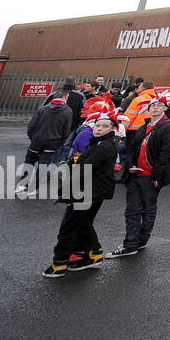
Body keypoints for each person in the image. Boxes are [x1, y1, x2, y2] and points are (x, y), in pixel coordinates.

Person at [42, 114, 119, 277]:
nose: (99, 128)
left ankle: (59, 264)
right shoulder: (98, 144)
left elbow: (84, 170)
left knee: (69, 226)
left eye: (104, 126)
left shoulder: (103, 147)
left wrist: (66, 189)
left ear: (113, 129)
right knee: (84, 223)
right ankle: (94, 254)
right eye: (97, 125)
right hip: (93, 191)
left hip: (87, 192)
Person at [111, 93, 170, 258]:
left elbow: (167, 153)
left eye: (159, 105)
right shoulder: (144, 126)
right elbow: (132, 148)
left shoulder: (169, 127)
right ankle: (132, 243)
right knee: (133, 210)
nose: (155, 108)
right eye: (152, 106)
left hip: (150, 176)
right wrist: (129, 166)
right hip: (136, 174)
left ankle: (137, 242)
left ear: (166, 108)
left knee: (147, 209)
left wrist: (156, 176)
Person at [17, 94, 72, 193]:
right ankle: (34, 188)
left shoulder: (42, 109)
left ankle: (22, 185)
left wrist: (32, 137)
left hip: (37, 141)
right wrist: (61, 142)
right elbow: (66, 130)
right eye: (67, 97)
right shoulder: (68, 111)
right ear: (64, 98)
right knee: (43, 165)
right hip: (53, 143)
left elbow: (32, 125)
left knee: (29, 162)